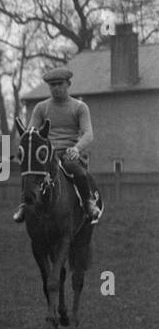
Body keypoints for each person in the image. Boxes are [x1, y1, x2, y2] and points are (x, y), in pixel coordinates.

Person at [13, 67, 103, 224]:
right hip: (47, 154)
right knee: (30, 170)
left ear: (68, 84)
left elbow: (88, 134)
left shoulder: (79, 107)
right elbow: (31, 134)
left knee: (78, 172)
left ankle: (88, 203)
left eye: (59, 84)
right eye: (52, 85)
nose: (56, 88)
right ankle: (24, 205)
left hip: (70, 153)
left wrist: (76, 148)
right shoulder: (41, 108)